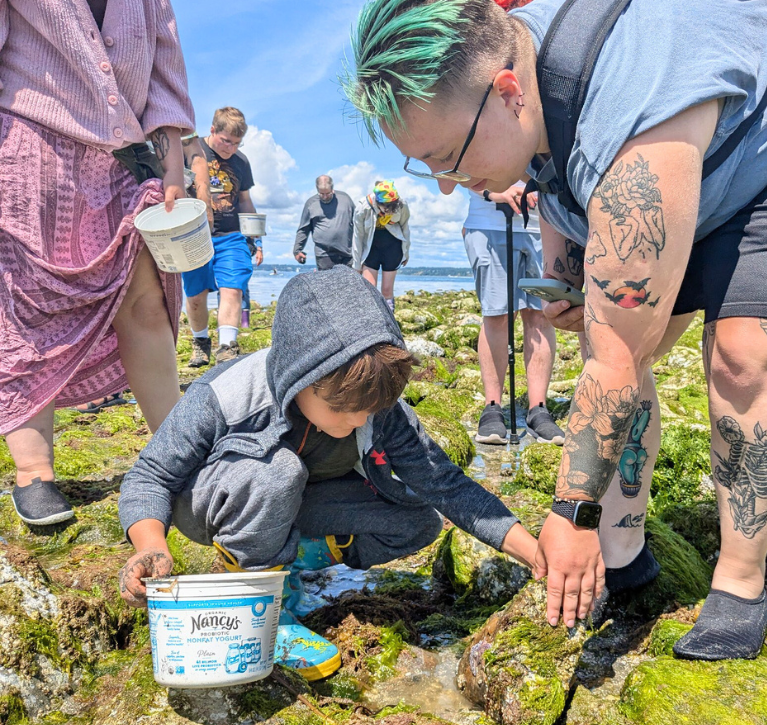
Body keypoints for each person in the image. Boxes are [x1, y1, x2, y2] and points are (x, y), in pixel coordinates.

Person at [344, 0, 767, 660]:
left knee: (742, 353)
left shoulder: (629, 113)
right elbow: (562, 195)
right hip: (697, 163)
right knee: (613, 340)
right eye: (423, 166)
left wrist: (571, 509)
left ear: (507, 93)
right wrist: (572, 284)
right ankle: (627, 551)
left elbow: (615, 361)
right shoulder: (525, 93)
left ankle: (741, 582)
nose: (443, 186)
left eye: (447, 158)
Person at [117, 267, 538, 680]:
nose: (358, 421)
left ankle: (290, 561)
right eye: (342, 409)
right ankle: (263, 606)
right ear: (300, 375)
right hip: (222, 501)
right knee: (279, 470)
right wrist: (150, 546)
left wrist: (534, 552)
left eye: (369, 410)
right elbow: (149, 476)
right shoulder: (227, 392)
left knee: (416, 522)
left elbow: (445, 483)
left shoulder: (375, 402)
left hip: (301, 505)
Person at [0, 0, 195, 526]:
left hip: (123, 165)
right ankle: (33, 469)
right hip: (27, 150)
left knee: (147, 303)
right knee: (27, 309)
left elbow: (164, 71)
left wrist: (173, 166)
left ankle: (179, 454)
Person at [464, 185, 565, 446]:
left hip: (546, 225)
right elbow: (456, 171)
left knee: (540, 316)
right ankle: (492, 407)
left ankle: (539, 409)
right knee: (496, 314)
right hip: (489, 224)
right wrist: (495, 193)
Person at [182, 107, 262, 368]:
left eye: (236, 143)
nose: (230, 147)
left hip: (231, 236)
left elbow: (246, 201)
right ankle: (200, 342)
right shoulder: (192, 152)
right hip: (195, 236)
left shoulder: (242, 162)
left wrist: (256, 240)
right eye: (225, 140)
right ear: (212, 130)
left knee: (232, 288)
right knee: (195, 296)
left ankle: (227, 346)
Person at [352, 181, 411, 312]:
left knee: (386, 290)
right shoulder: (363, 207)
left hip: (392, 247)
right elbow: (358, 236)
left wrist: (405, 253)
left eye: (392, 208)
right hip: (371, 248)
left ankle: (390, 323)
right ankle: (372, 322)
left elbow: (405, 228)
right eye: (386, 209)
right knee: (370, 289)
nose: (389, 211)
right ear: (378, 203)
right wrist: (356, 266)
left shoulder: (402, 204)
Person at [294, 175, 356, 270]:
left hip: (347, 253)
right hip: (324, 254)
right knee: (326, 284)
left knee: (347, 284)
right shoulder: (311, 204)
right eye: (321, 194)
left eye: (328, 193)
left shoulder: (345, 199)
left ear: (332, 189)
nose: (325, 197)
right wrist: (297, 250)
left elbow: (357, 222)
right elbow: (303, 229)